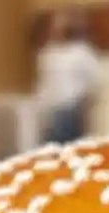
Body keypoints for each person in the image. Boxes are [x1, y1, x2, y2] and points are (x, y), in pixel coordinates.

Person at [36, 11, 102, 144]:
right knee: (51, 148)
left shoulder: (82, 52)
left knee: (70, 147)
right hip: (50, 110)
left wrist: (85, 108)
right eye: (54, 26)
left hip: (72, 110)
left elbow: (95, 81)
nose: (57, 29)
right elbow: (44, 82)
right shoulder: (47, 53)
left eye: (62, 25)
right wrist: (40, 108)